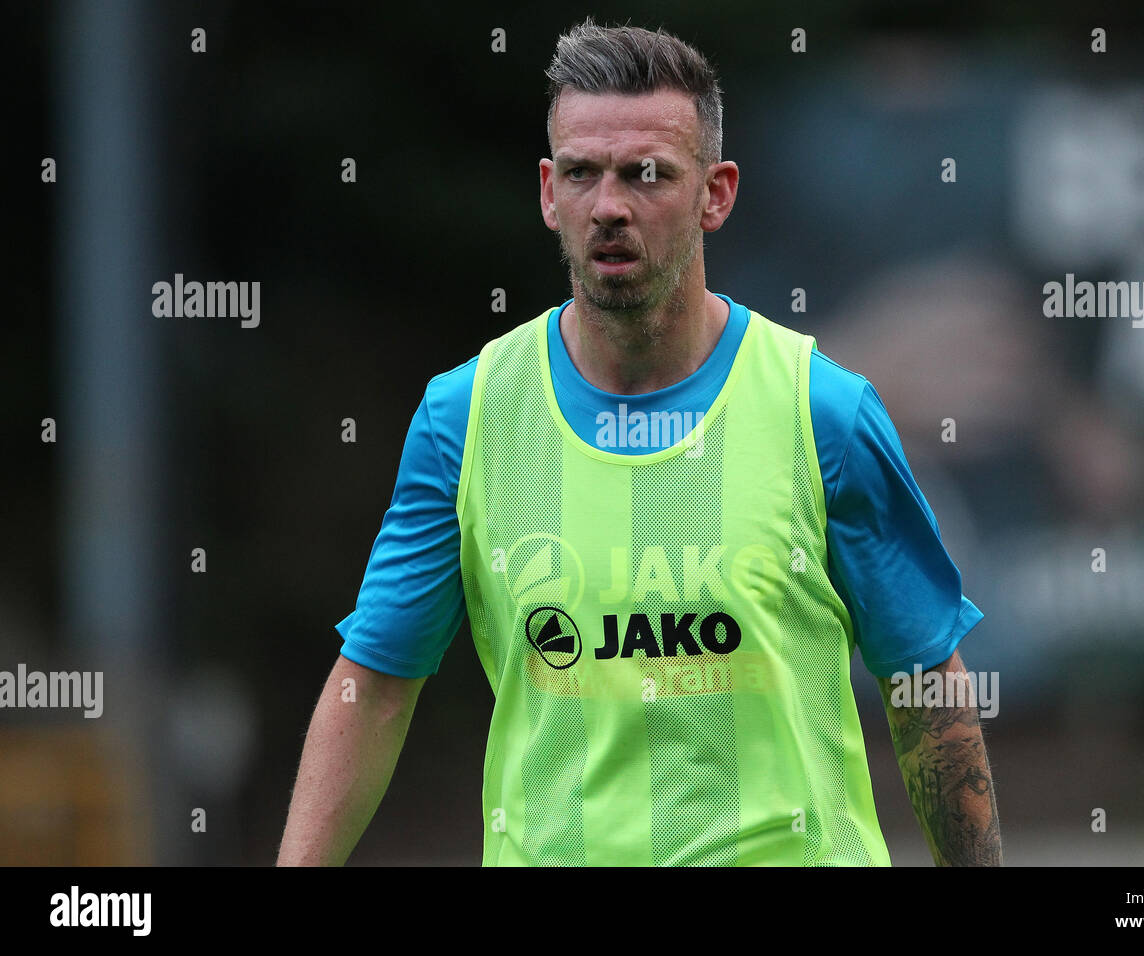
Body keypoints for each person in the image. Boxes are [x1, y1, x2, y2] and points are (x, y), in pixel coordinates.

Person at [277, 18, 1001, 867]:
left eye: (647, 174)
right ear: (550, 192)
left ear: (715, 193)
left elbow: (925, 690)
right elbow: (373, 692)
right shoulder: (467, 419)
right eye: (583, 173)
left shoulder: (822, 412)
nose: (610, 205)